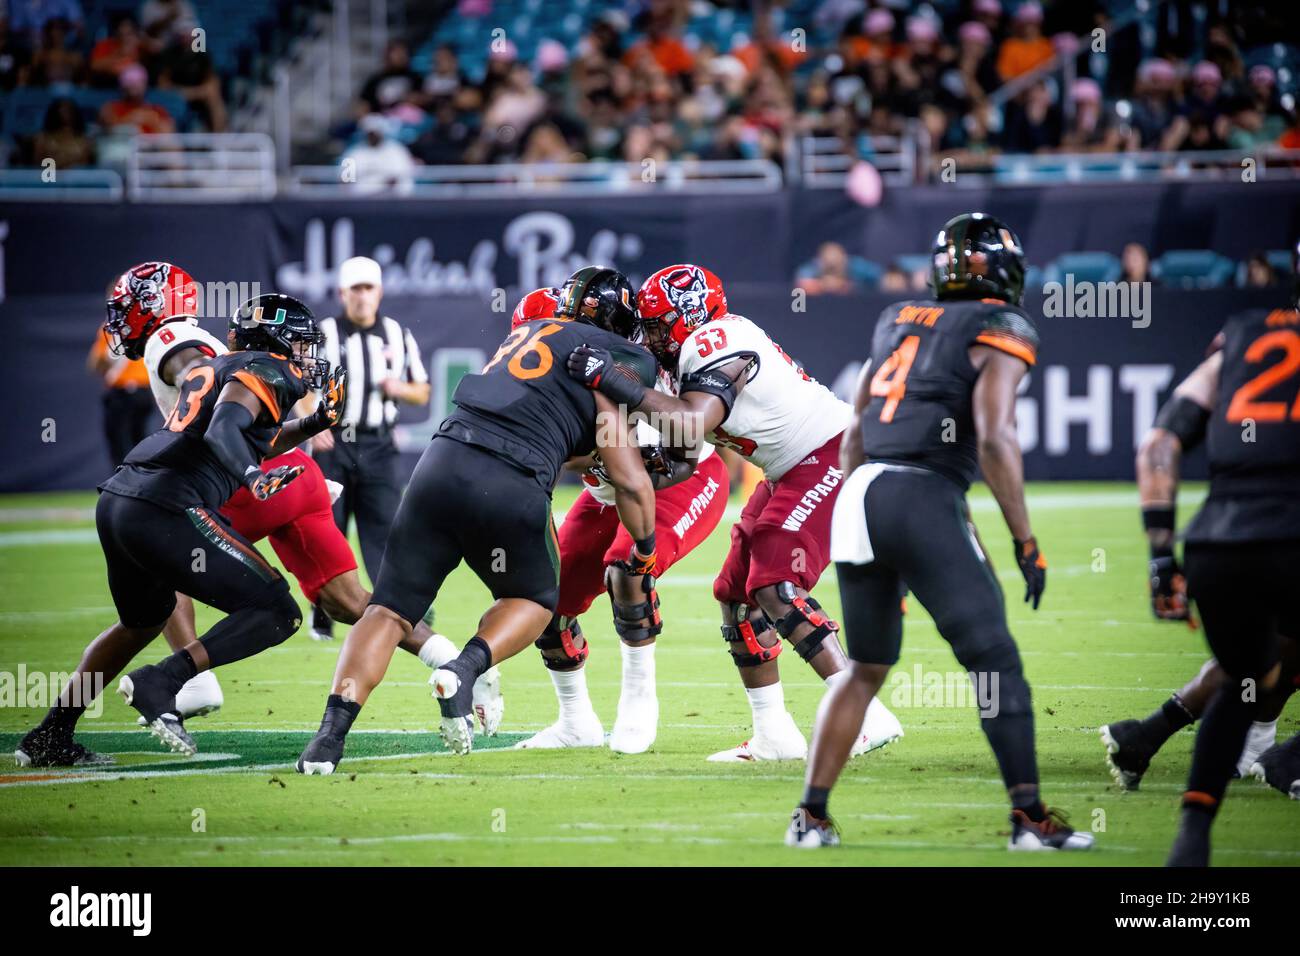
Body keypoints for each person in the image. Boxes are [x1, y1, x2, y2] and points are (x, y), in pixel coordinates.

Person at [787, 213, 1093, 851]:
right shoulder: (1001, 326)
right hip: (917, 496)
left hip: (863, 493)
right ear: (1005, 272)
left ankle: (810, 818)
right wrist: (1025, 540)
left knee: (864, 668)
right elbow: (996, 436)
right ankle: (1029, 820)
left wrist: (874, 538)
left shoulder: (899, 318)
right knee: (994, 661)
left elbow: (856, 434)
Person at [296, 267, 657, 772]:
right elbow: (631, 481)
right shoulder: (611, 362)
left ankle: (327, 742)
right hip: (509, 480)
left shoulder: (527, 332)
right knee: (534, 599)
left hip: (438, 464)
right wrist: (644, 546)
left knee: (388, 610)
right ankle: (464, 670)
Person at [567, 263, 903, 762]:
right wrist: (624, 468)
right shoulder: (685, 357)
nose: (652, 335)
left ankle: (864, 710)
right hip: (788, 469)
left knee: (774, 583)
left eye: (659, 324)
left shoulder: (719, 339)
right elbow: (681, 453)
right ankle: (774, 733)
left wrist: (616, 381)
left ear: (690, 316)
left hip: (833, 452)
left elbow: (692, 420)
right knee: (736, 593)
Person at [16, 294, 337, 765]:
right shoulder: (268, 368)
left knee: (140, 621)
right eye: (301, 343)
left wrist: (314, 422)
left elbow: (254, 437)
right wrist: (253, 478)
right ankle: (161, 681)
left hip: (122, 498)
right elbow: (224, 431)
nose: (307, 355)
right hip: (167, 503)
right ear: (276, 340)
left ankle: (49, 736)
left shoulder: (228, 364)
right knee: (276, 610)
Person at [507, 288, 731, 755]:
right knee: (546, 597)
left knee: (628, 568)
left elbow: (682, 453)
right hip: (608, 489)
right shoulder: (562, 371)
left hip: (675, 481)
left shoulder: (633, 364)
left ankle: (639, 699)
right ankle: (574, 721)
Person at [1165, 241, 1300, 865]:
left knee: (1246, 677)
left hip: (1217, 538)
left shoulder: (1243, 332)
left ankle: (1193, 836)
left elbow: (1161, 443)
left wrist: (1161, 554)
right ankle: (1286, 758)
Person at [312, 255, 430, 640]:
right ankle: (324, 612)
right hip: (333, 442)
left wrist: (398, 389)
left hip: (378, 444)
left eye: (368, 288)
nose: (362, 297)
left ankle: (396, 609)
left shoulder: (397, 333)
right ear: (343, 293)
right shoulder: (325, 333)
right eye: (355, 289)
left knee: (386, 530)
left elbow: (422, 390)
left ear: (378, 292)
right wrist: (311, 424)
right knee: (328, 529)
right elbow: (298, 386)